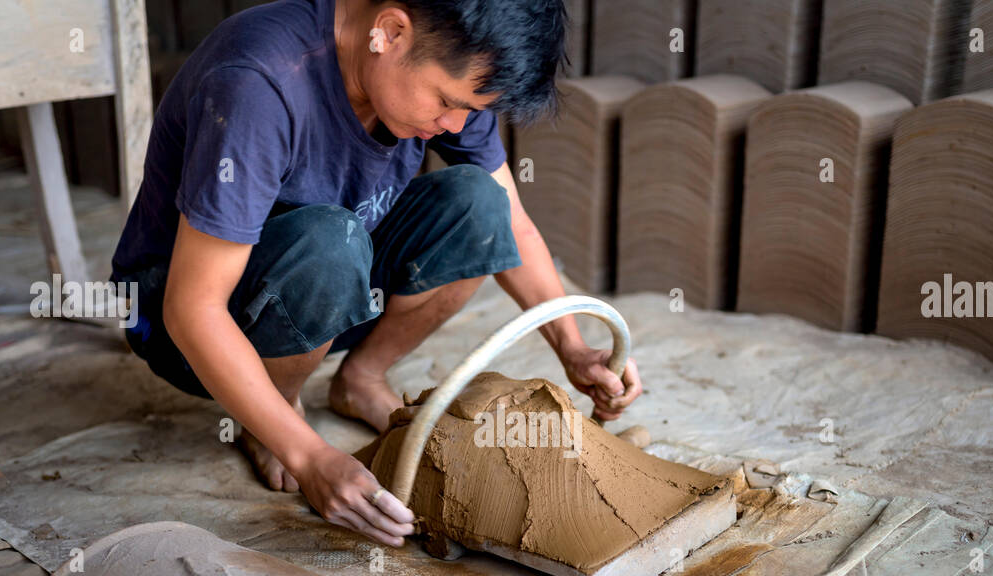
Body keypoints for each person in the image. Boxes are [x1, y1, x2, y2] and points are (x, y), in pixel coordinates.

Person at [110, 0, 643, 547]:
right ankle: (272, 414)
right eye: (445, 103)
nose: (454, 125)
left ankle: (360, 379)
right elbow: (191, 308)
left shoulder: (446, 63)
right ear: (390, 32)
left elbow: (513, 225)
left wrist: (573, 348)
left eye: (468, 110)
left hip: (329, 283)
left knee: (479, 205)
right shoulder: (259, 83)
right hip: (184, 322)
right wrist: (310, 456)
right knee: (328, 245)